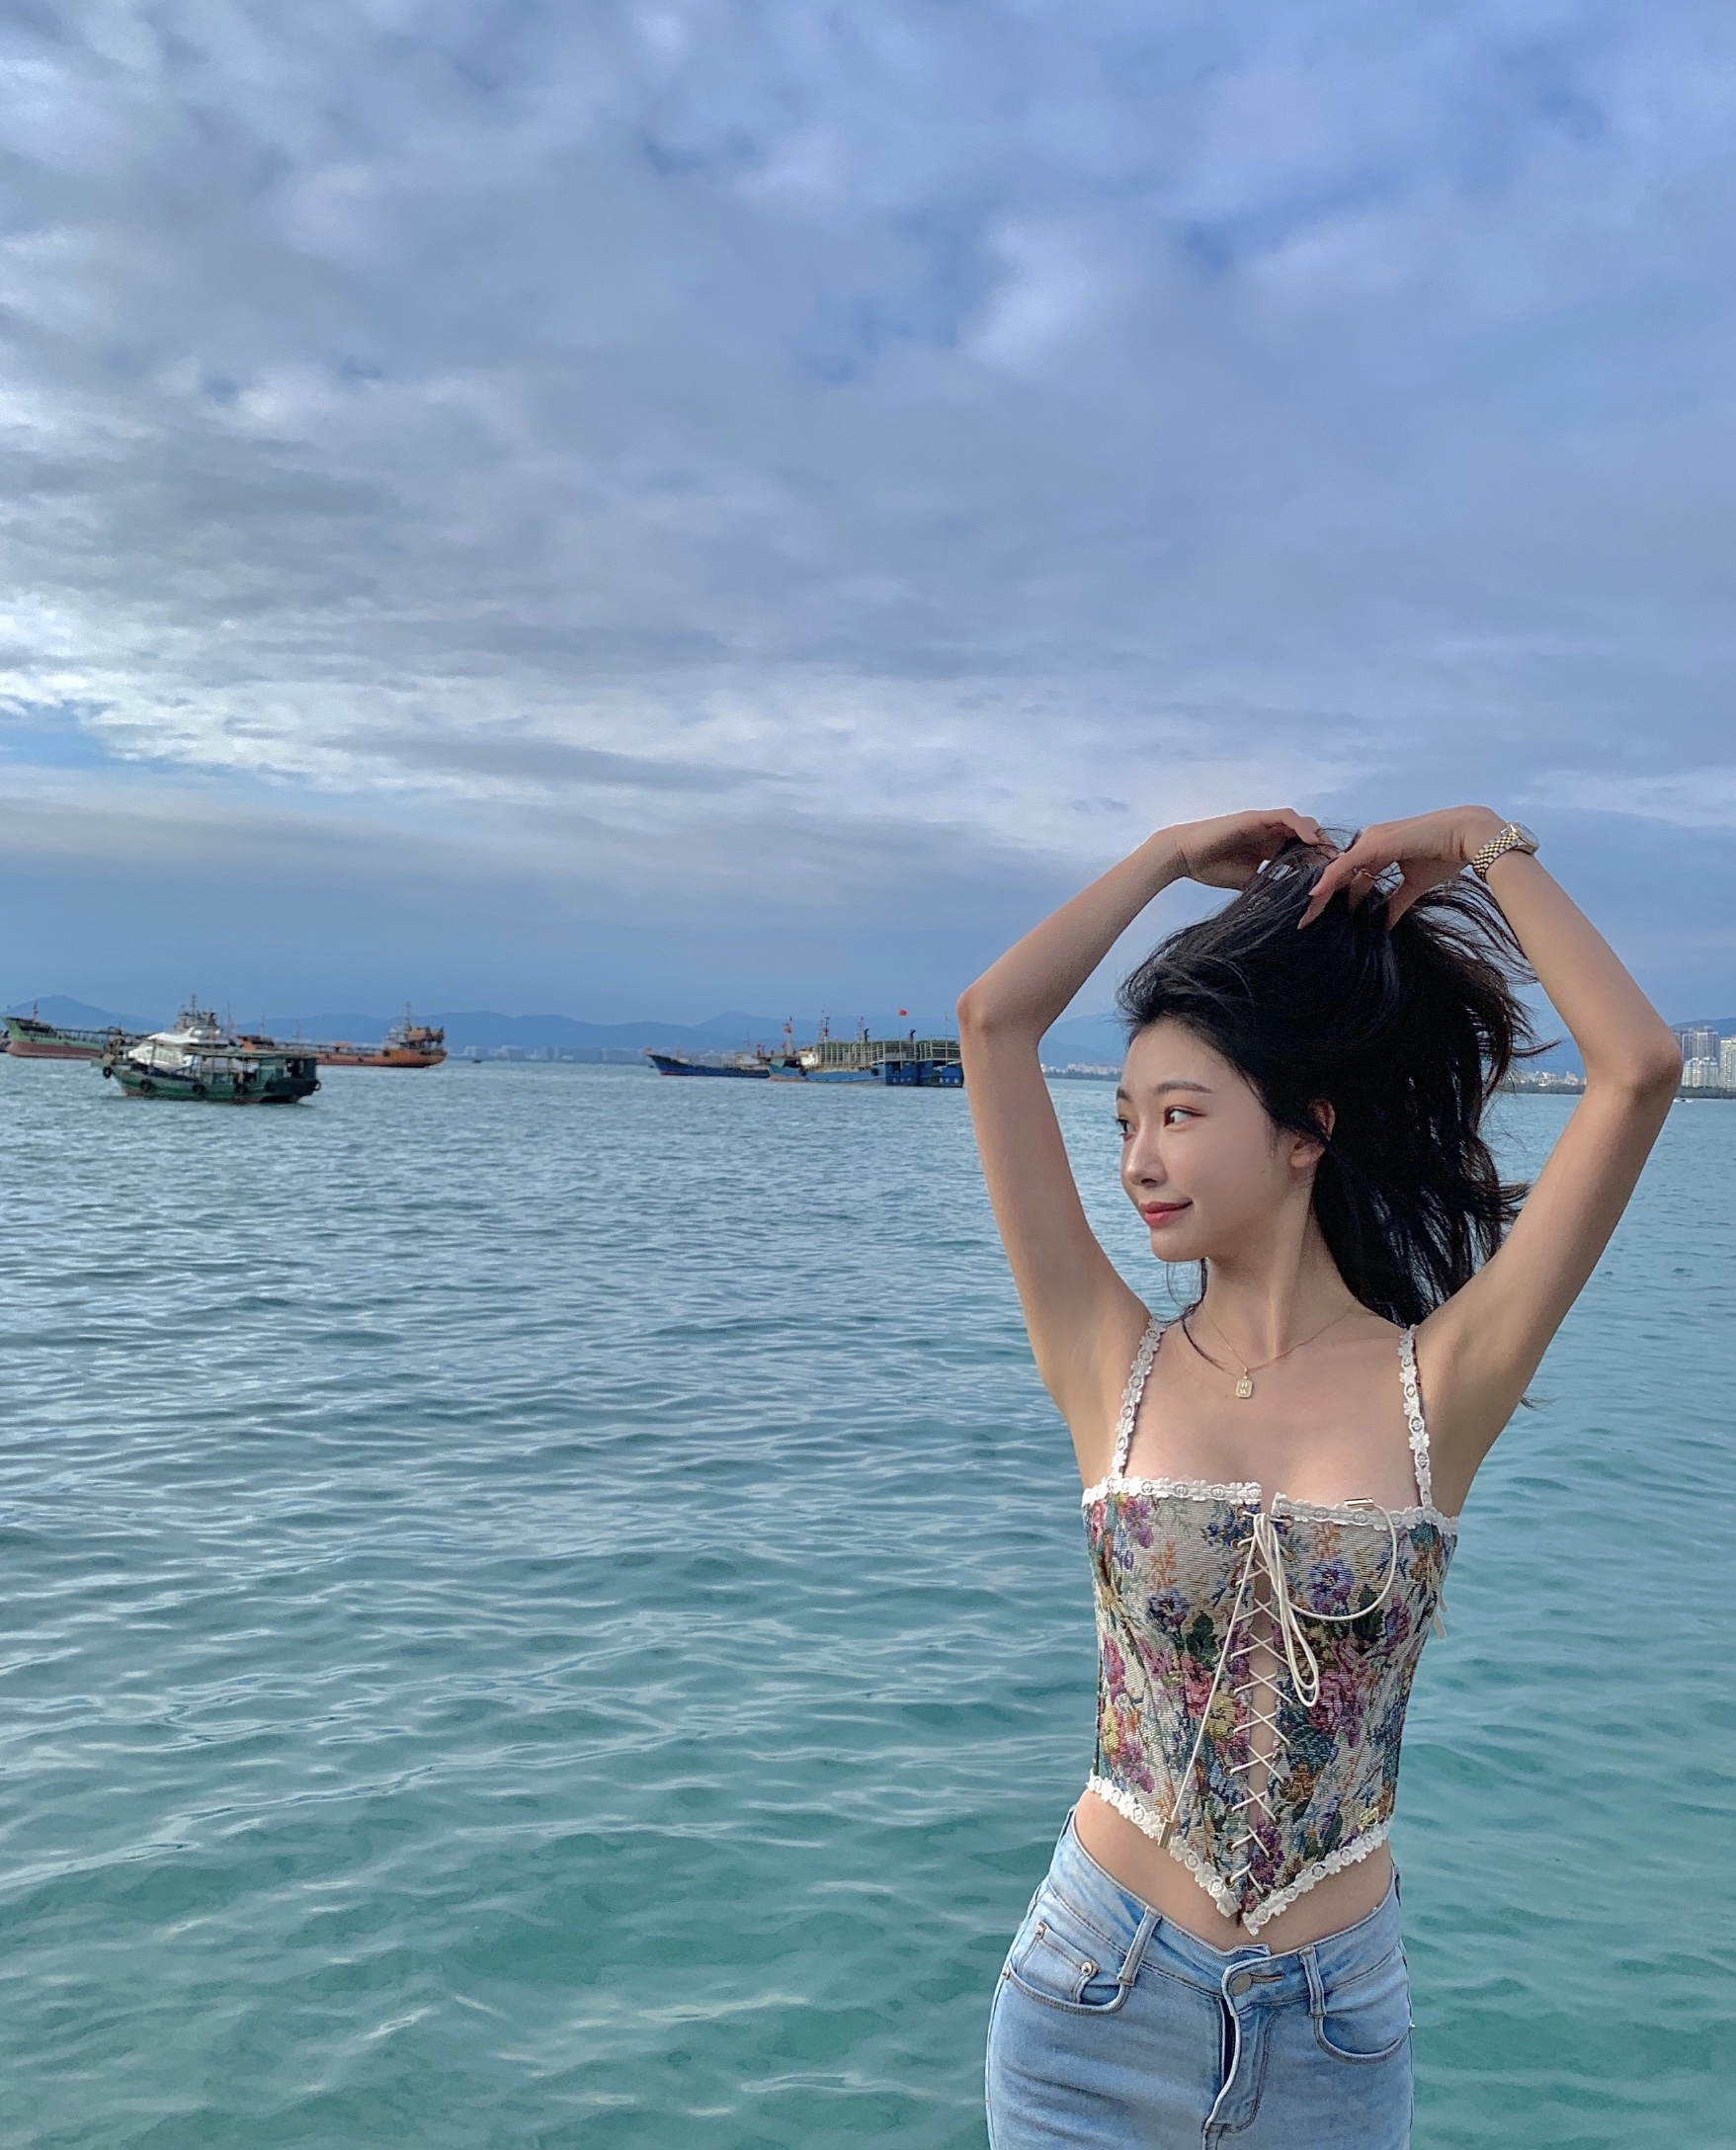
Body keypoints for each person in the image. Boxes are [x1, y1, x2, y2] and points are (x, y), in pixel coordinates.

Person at [956, 806, 1680, 2150]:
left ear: (1305, 1131)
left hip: (1334, 2033)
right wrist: (1168, 858)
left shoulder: (1439, 1385)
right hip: (1090, 2001)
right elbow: (993, 1022)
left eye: (1180, 1115)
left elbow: (1635, 1070)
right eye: (1124, 1120)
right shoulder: (1105, 1359)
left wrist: (1482, 842)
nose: (1138, 1160)